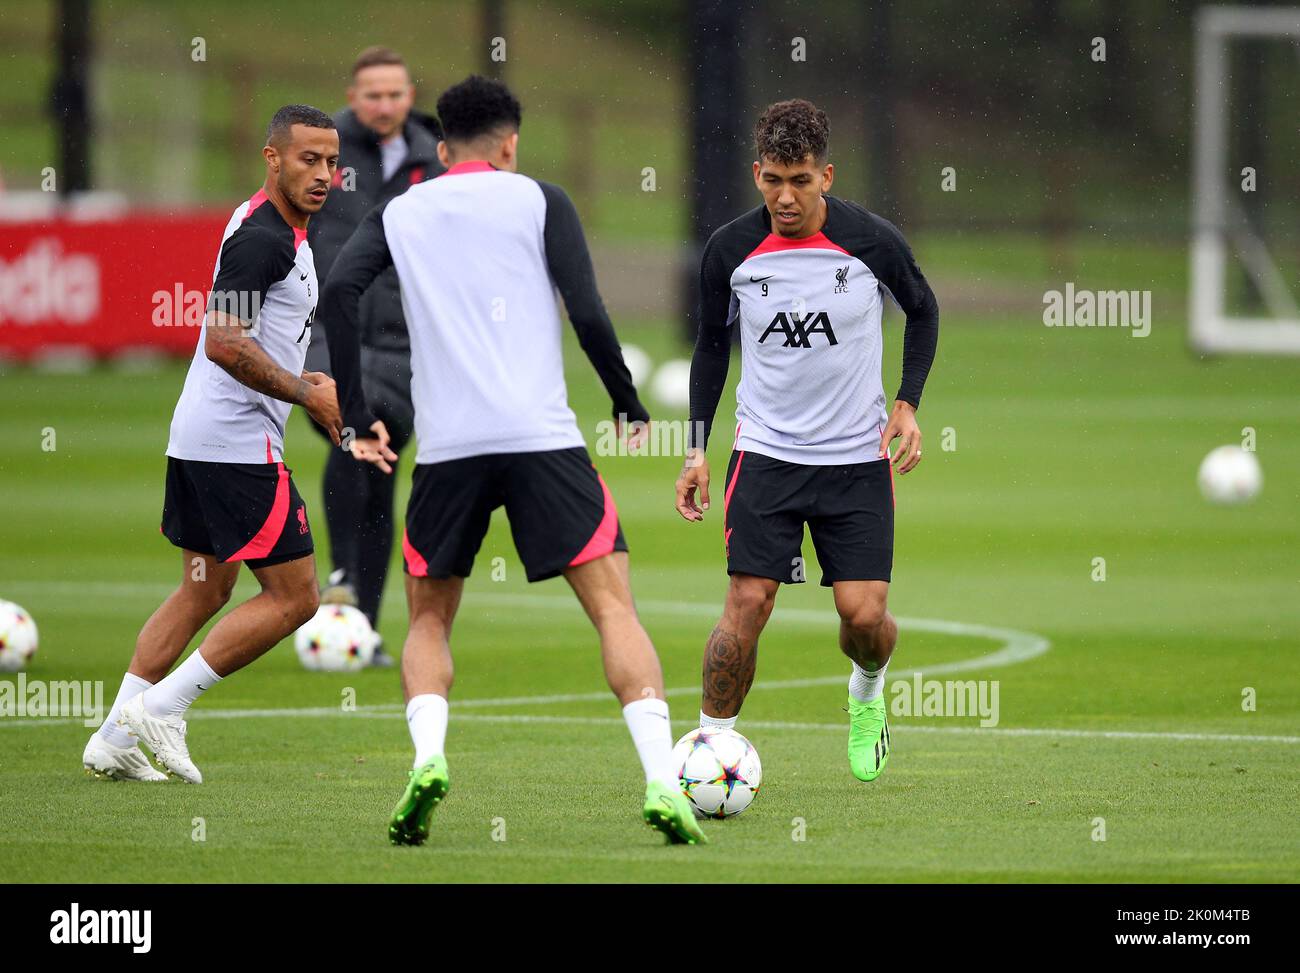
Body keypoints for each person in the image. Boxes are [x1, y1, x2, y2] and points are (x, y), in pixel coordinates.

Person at [320, 75, 706, 846]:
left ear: (439, 147)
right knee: (613, 607)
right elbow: (589, 310)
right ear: (511, 144)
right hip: (542, 438)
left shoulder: (403, 209)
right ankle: (663, 777)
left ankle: (428, 759)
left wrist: (356, 409)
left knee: (429, 617)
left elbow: (339, 291)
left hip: (450, 448)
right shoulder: (540, 199)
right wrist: (627, 403)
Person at [675, 98, 939, 784]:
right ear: (756, 172)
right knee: (749, 599)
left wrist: (907, 402)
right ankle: (709, 751)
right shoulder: (730, 249)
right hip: (765, 455)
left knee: (863, 616)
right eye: (773, 181)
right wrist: (698, 446)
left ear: (827, 174)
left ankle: (866, 693)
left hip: (856, 460)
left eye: (801, 180)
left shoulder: (872, 242)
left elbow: (924, 309)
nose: (785, 197)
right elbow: (709, 346)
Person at [82, 106, 344, 783]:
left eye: (329, 161)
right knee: (297, 597)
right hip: (235, 445)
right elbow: (224, 341)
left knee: (203, 590)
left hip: (200, 434)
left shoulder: (272, 225)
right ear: (272, 158)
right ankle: (165, 707)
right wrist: (305, 391)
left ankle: (113, 735)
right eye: (307, 159)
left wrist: (303, 379)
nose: (322, 174)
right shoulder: (265, 237)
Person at [304, 47, 445, 665]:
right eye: (372, 94)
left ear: (409, 95)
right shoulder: (321, 154)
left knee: (380, 468)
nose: (384, 105)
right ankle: (342, 578)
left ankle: (364, 622)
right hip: (330, 334)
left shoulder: (435, 160)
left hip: (409, 341)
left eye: (394, 93)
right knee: (350, 435)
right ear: (353, 96)